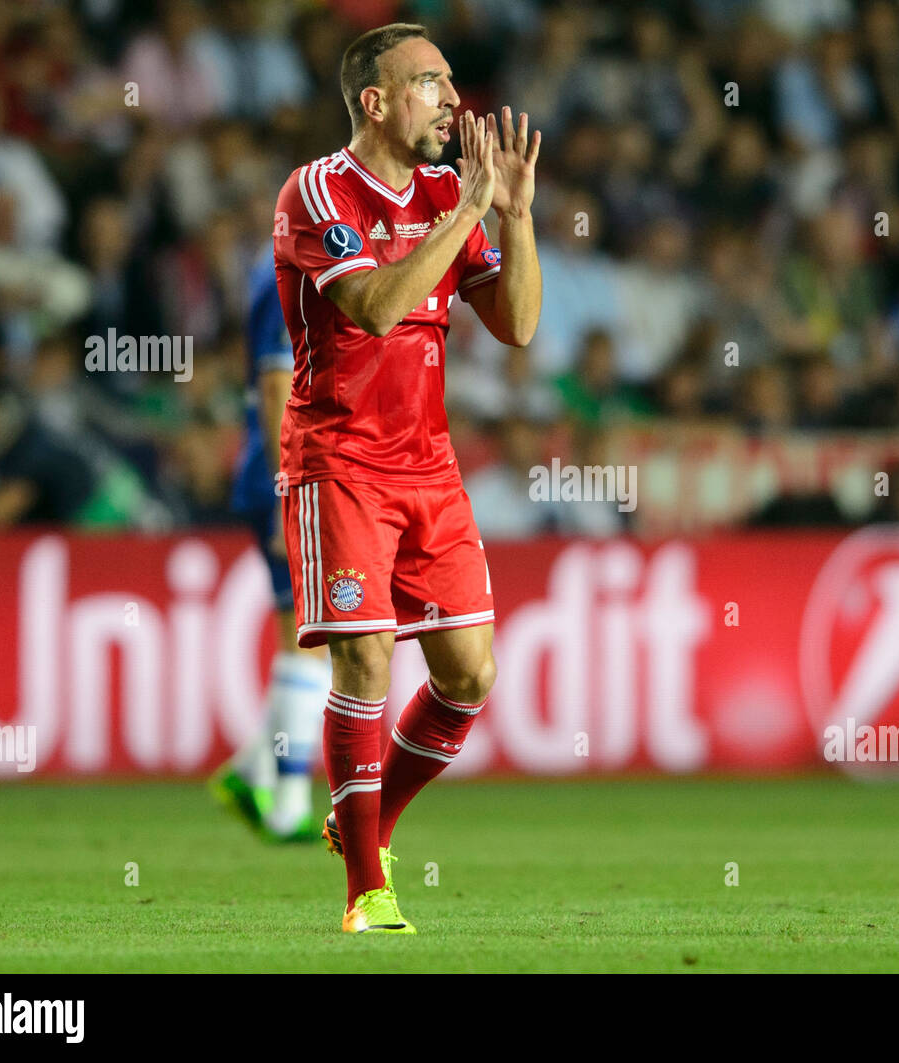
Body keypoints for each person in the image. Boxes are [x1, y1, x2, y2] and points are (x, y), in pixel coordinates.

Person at [272, 23, 540, 933]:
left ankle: (367, 825)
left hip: (429, 464)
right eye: (429, 83)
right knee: (367, 658)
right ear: (376, 101)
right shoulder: (316, 190)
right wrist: (466, 211)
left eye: (452, 79)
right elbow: (377, 308)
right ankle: (365, 891)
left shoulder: (443, 191)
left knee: (470, 675)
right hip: (339, 460)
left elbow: (519, 329)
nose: (452, 98)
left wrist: (514, 214)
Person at [209, 250, 332, 842]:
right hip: (287, 478)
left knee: (310, 642)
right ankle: (285, 802)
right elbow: (277, 378)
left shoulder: (290, 259)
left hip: (293, 476)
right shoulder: (295, 263)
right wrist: (292, 488)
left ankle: (252, 770)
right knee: (310, 641)